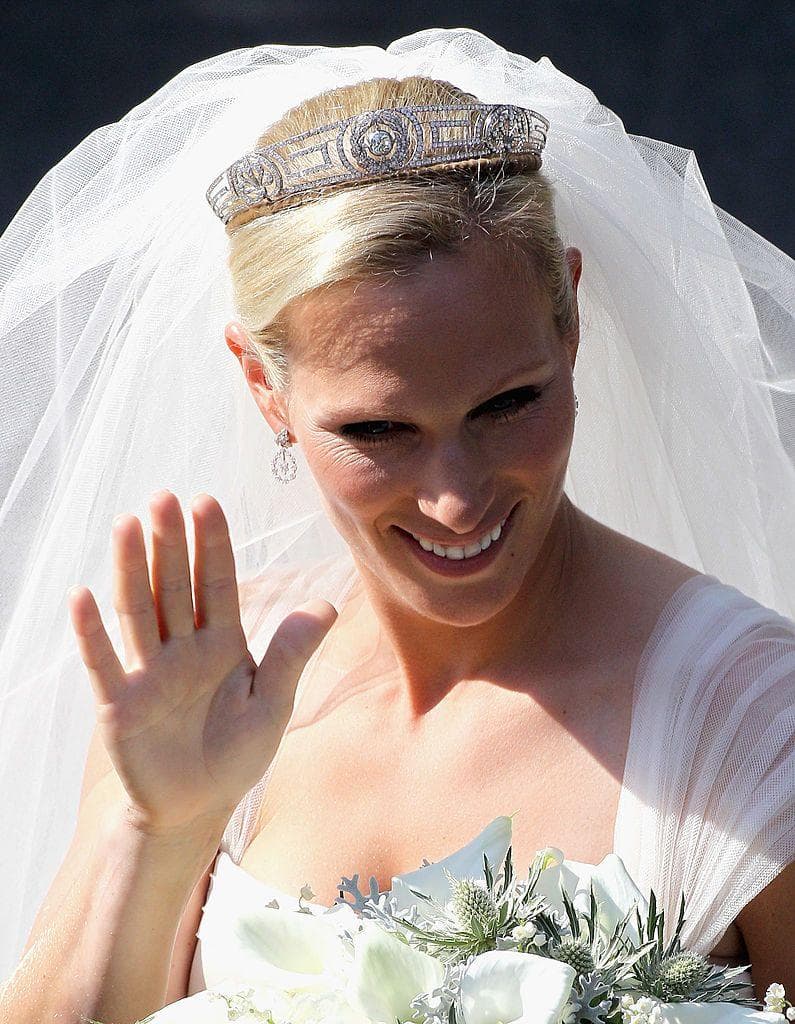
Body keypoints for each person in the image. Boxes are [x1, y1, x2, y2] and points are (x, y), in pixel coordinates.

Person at [0, 28, 792, 1023]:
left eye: (508, 403)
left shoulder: (756, 724)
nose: (456, 498)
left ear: (571, 324)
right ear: (265, 387)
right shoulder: (212, 681)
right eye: (379, 429)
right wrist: (157, 835)